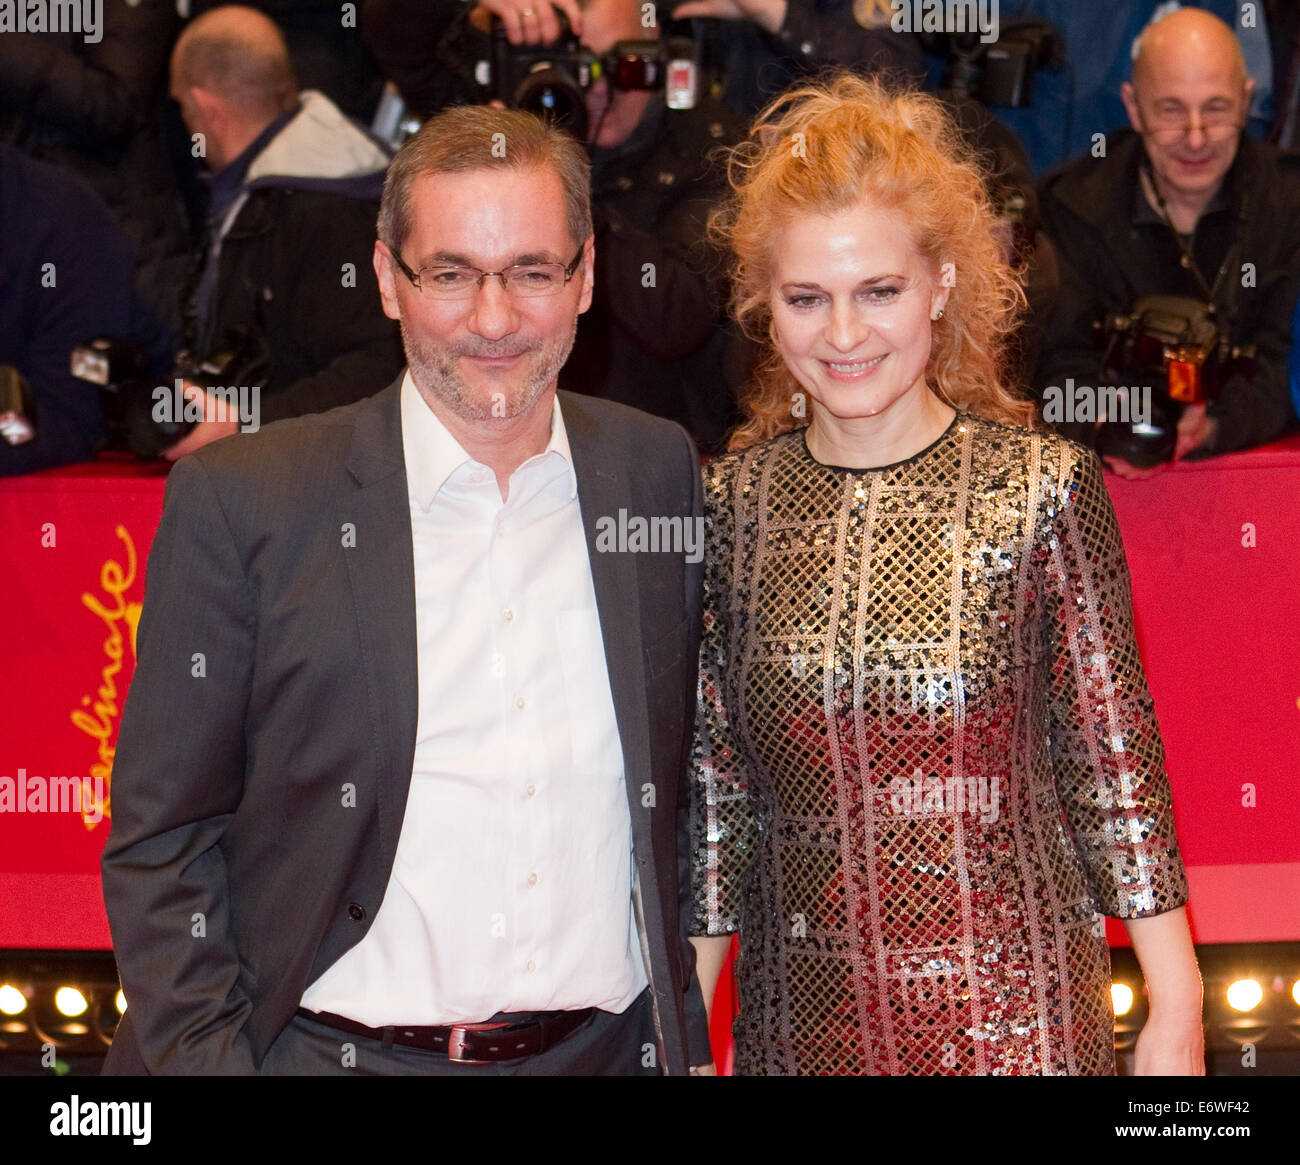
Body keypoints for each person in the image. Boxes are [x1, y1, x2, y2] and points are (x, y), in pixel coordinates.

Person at [100, 103, 713, 1076]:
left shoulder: (654, 470)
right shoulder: (246, 500)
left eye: (531, 271)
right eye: (451, 274)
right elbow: (163, 840)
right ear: (386, 278)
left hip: (604, 1051)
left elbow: (675, 800)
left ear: (587, 275)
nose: (495, 318)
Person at [686, 72, 1204, 1075]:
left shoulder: (1042, 490)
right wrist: (680, 1030)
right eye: (806, 298)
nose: (843, 335)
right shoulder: (728, 509)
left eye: (878, 291)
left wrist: (1174, 1004)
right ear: (763, 304)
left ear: (941, 284)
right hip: (801, 1030)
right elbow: (718, 793)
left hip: (1020, 1025)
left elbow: (1111, 761)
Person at [364, 0, 749, 451]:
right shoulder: (498, 105)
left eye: (620, 65)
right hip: (476, 431)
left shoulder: (711, 145)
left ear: (659, 51)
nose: (595, 86)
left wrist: (554, 179)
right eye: (573, 63)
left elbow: (678, 318)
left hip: (640, 439)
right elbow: (388, 29)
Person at [1035, 6, 1300, 479]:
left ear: (1245, 102)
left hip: (1243, 473)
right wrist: (1100, 422)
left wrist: (1214, 425)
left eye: (1216, 109)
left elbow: (1287, 367)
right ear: (1133, 108)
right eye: (1171, 110)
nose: (1195, 137)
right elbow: (1056, 367)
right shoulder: (1072, 206)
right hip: (1102, 474)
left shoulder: (1289, 204)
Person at [162, 5, 404, 459]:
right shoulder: (297, 187)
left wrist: (245, 424)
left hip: (317, 483)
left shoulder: (318, 208)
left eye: (182, 109)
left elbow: (379, 367)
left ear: (206, 109)